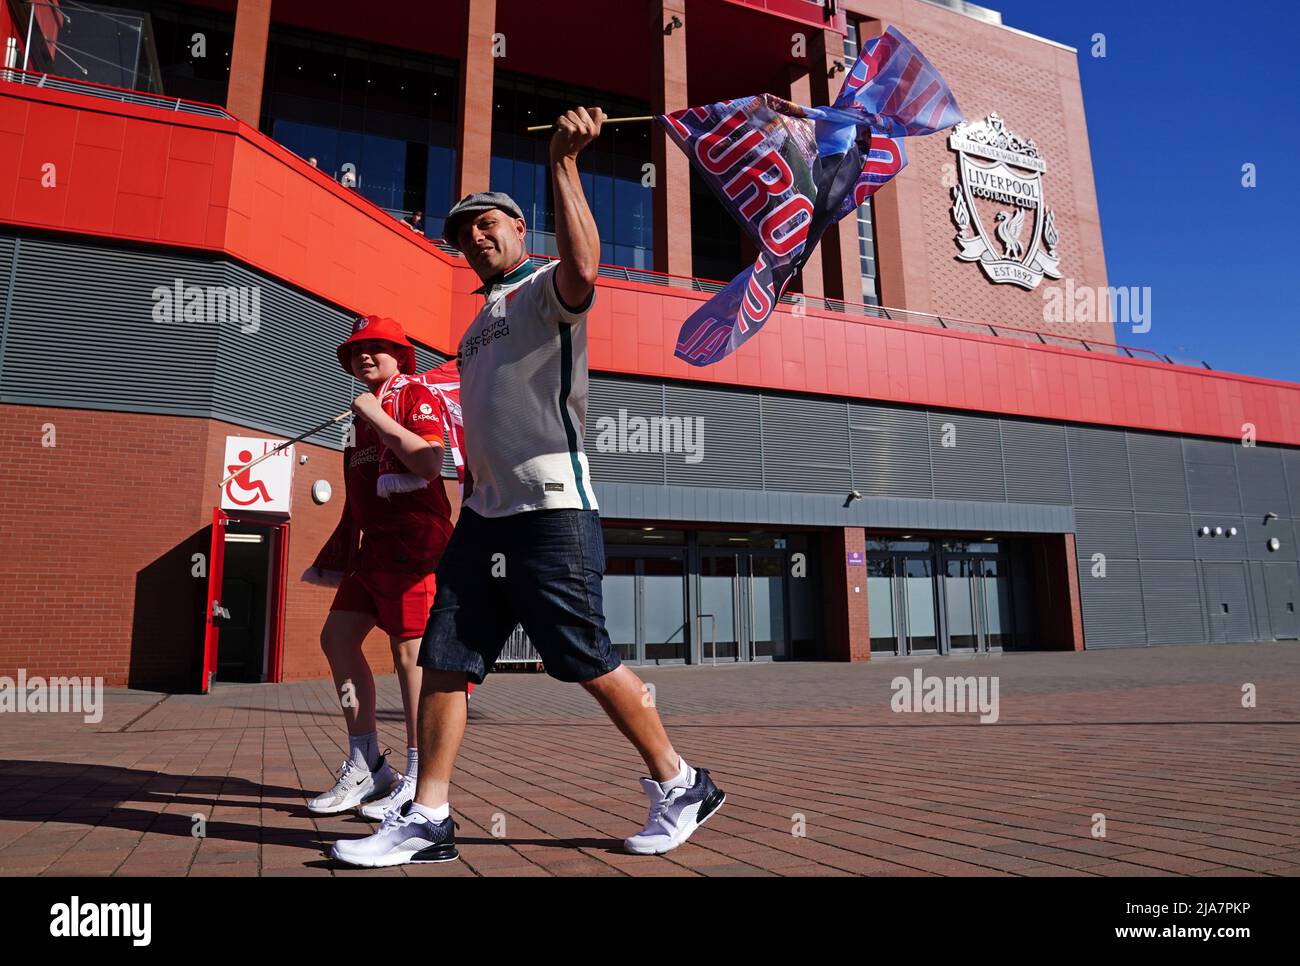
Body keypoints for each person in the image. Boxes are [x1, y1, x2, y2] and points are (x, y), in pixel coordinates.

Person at [332, 108, 724, 868]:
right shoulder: (475, 325)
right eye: (463, 235)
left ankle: (682, 783)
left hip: (552, 511)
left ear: (516, 227)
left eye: (487, 226)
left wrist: (564, 166)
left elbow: (585, 269)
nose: (475, 239)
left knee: (582, 656)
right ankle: (429, 817)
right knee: (446, 658)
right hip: (485, 518)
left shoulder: (546, 290)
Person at [303, 315, 455, 820]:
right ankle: (367, 761)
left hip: (416, 546)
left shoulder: (412, 395)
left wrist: (379, 417)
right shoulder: (359, 417)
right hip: (373, 550)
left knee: (411, 656)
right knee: (337, 639)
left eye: (377, 347)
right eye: (356, 351)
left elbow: (430, 463)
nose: (364, 356)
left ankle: (416, 775)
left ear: (400, 354)